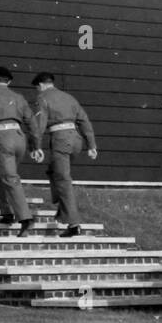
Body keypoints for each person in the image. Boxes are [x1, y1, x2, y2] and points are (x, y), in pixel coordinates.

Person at [31, 72, 97, 238]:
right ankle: (63, 208)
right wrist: (91, 145)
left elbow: (39, 125)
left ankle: (74, 224)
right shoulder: (69, 98)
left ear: (41, 85)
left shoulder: (42, 98)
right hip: (76, 140)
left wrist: (36, 147)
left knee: (63, 180)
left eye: (37, 88)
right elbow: (84, 120)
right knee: (54, 172)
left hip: (61, 140)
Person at [0, 66, 43, 235]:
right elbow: (32, 123)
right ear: (9, 81)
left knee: (9, 177)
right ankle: (6, 212)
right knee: (3, 176)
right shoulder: (19, 98)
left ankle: (25, 219)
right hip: (19, 137)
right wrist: (35, 146)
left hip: (2, 137)